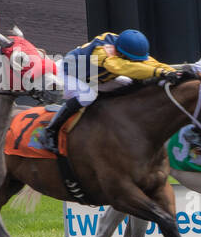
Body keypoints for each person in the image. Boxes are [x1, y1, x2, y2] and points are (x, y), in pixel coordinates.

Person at [39, 28, 178, 151]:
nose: (136, 62)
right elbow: (121, 67)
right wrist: (159, 72)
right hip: (67, 74)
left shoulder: (125, 47)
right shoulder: (102, 51)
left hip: (94, 78)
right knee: (88, 95)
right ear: (120, 52)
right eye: (132, 59)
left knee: (127, 83)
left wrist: (172, 71)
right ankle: (50, 131)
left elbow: (150, 62)